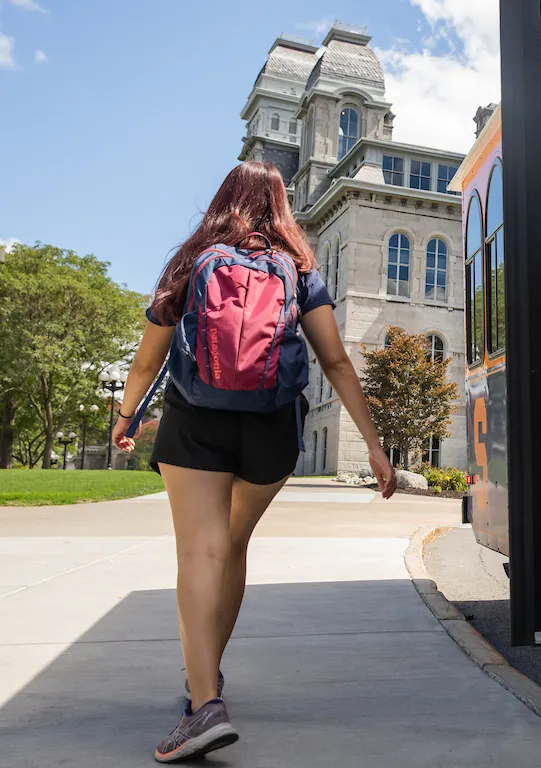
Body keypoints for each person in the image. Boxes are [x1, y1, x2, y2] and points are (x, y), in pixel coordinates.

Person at [111, 161, 398, 763]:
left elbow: (147, 360)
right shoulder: (300, 269)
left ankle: (204, 702)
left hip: (195, 421)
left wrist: (127, 417)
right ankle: (206, 680)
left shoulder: (191, 262)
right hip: (271, 429)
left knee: (200, 552)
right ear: (281, 207)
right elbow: (338, 362)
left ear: (224, 200)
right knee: (232, 548)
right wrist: (374, 444)